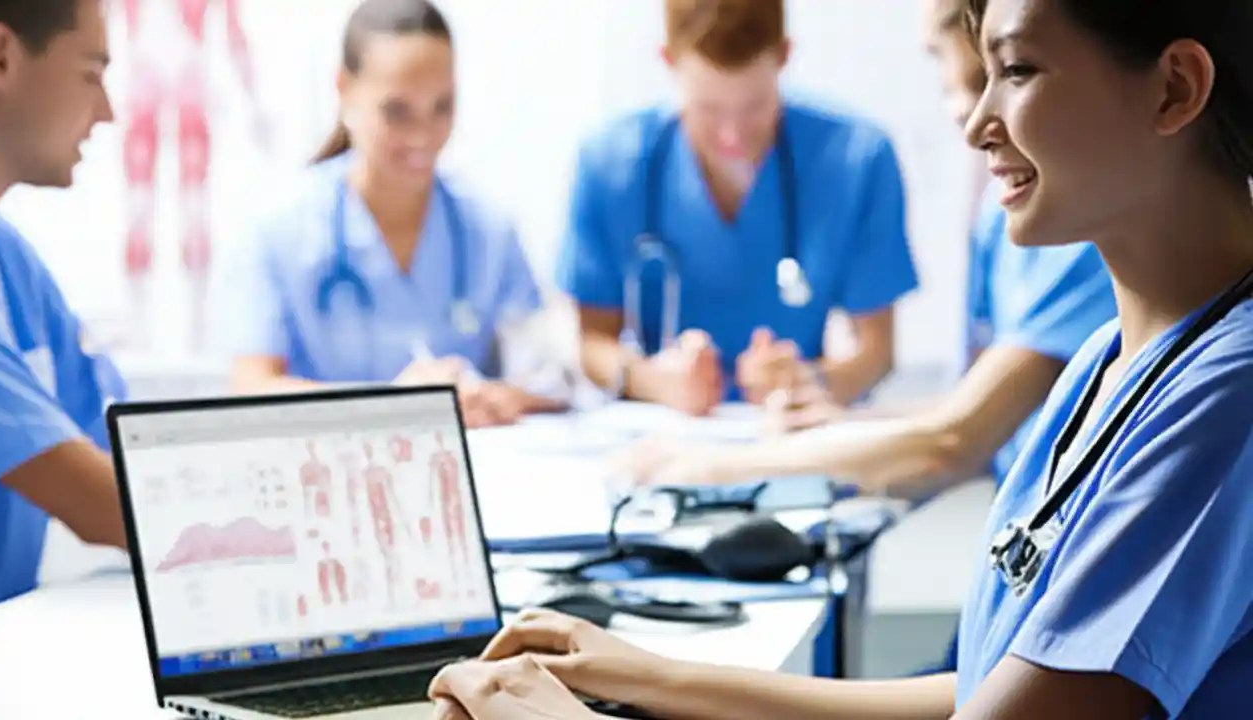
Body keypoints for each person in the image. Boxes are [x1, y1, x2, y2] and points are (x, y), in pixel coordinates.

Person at [427, 0, 1253, 716]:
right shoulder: (1107, 364)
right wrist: (654, 676)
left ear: (1174, 88)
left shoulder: (1227, 396)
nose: (974, 122)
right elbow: (987, 687)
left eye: (1019, 69)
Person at [620, 0, 1116, 503]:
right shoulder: (1005, 208)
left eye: (1001, 73)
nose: (967, 118)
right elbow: (970, 415)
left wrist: (714, 470)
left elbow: (955, 439)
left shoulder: (1081, 224)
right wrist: (842, 427)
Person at [558, 0, 920, 417]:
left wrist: (809, 383)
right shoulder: (609, 163)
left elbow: (876, 352)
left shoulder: (856, 159)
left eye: (755, 108)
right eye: (708, 110)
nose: (732, 136)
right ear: (668, 61)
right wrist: (655, 381)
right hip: (658, 436)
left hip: (793, 438)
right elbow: (591, 343)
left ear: (785, 56)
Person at [221, 0, 561, 428]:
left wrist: (487, 398)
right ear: (344, 90)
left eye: (442, 107)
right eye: (397, 111)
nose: (423, 136)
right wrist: (394, 405)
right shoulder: (276, 229)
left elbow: (549, 385)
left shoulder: (489, 231)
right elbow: (252, 387)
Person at [0, 0, 129, 612]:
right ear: (1, 58)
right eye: (91, 73)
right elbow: (105, 506)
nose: (107, 111)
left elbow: (126, 435)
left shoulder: (5, 257)